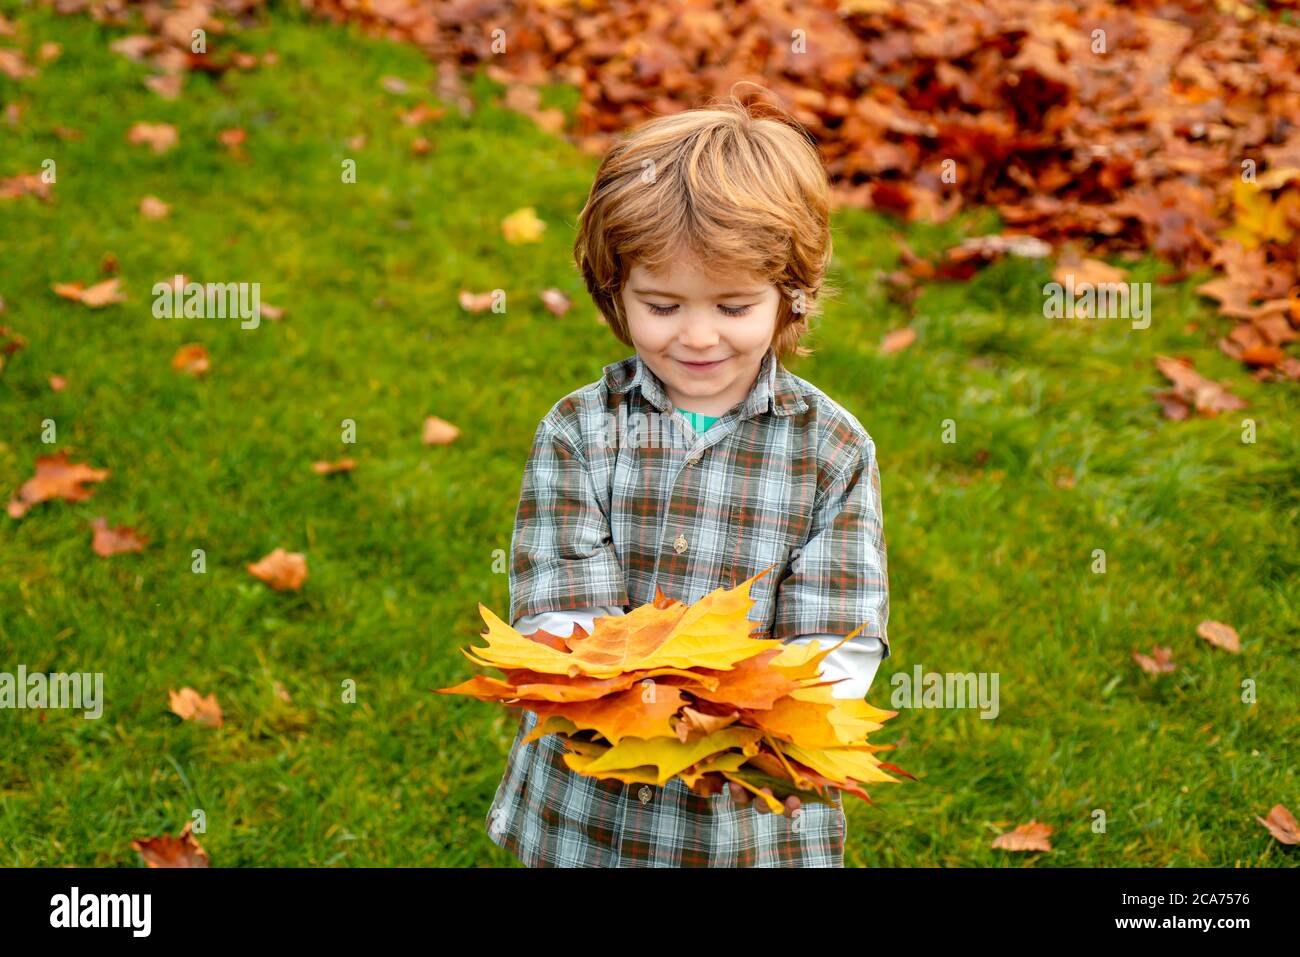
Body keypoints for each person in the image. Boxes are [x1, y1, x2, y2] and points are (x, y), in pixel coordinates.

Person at [486, 85, 891, 867]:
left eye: (734, 306)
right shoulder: (580, 431)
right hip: (591, 804)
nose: (698, 336)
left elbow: (835, 636)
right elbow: (559, 606)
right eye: (663, 305)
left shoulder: (833, 451)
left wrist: (742, 719)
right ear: (616, 292)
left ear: (791, 296)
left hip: (746, 814)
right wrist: (640, 705)